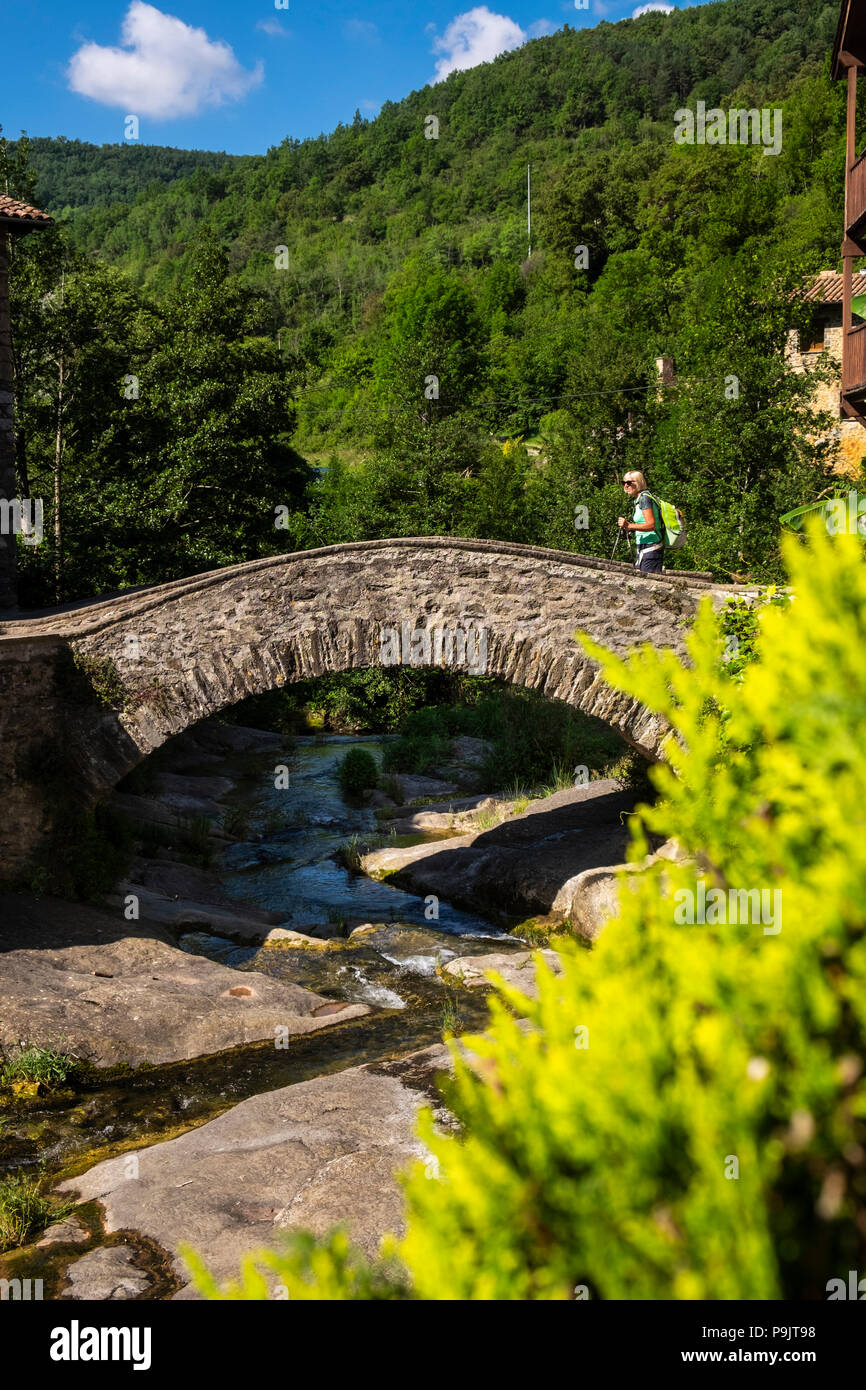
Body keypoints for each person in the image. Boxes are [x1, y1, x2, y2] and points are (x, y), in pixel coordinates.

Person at [618, 471, 664, 575]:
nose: (626, 485)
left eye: (629, 482)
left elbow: (651, 525)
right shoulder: (638, 499)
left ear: (638, 482)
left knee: (649, 583)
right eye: (624, 482)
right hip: (644, 547)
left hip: (651, 547)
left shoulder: (644, 498)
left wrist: (629, 526)